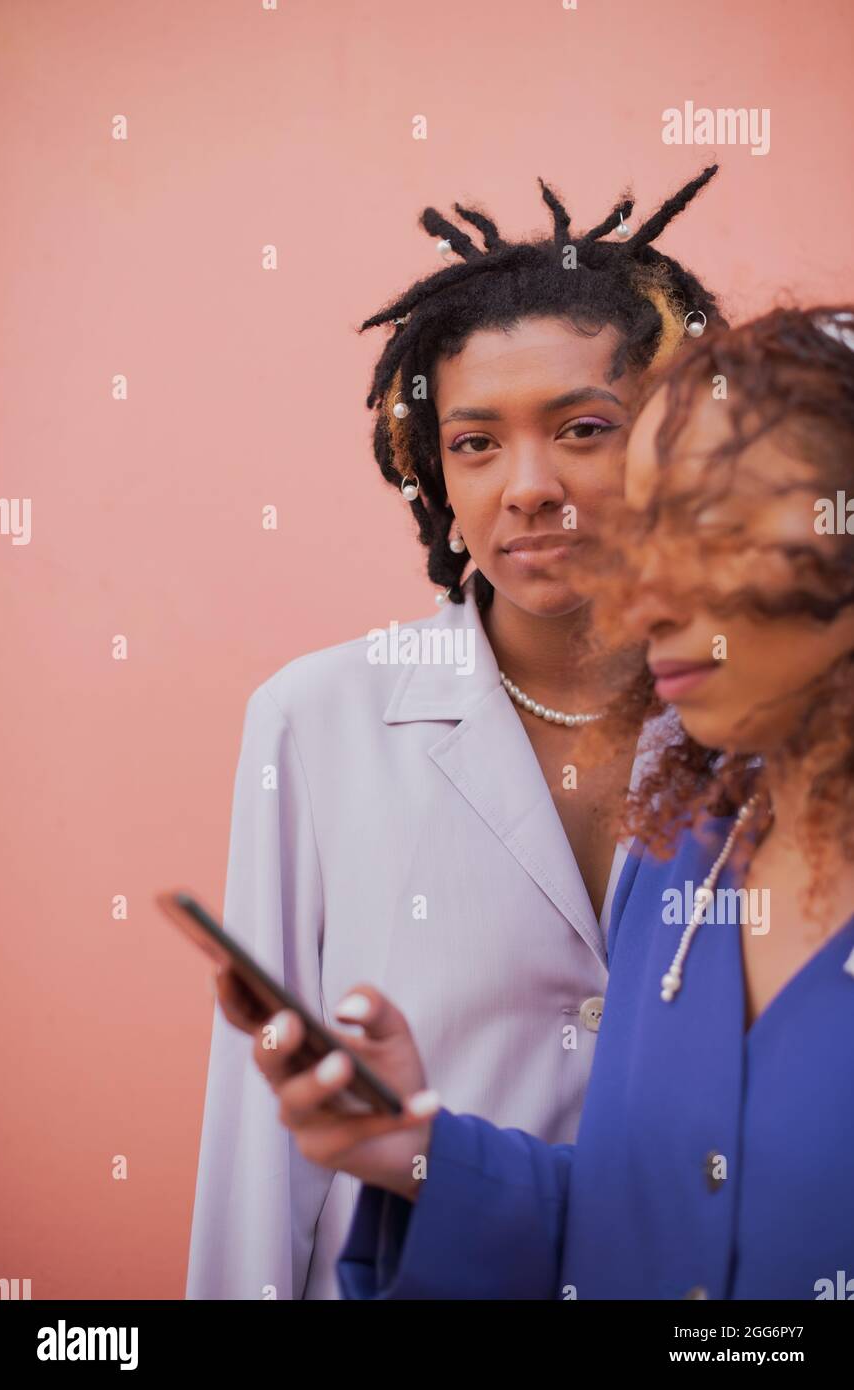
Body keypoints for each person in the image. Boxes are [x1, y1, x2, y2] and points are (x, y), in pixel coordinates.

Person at [226, 304, 854, 1300]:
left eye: (713, 528)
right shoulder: (688, 849)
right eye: (473, 441)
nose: (644, 597)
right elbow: (646, 1227)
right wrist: (420, 1154)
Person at [186, 168, 724, 1299]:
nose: (526, 487)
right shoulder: (316, 719)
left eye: (584, 428)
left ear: (678, 440)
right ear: (431, 465)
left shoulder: (765, 719)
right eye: (475, 442)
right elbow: (259, 1137)